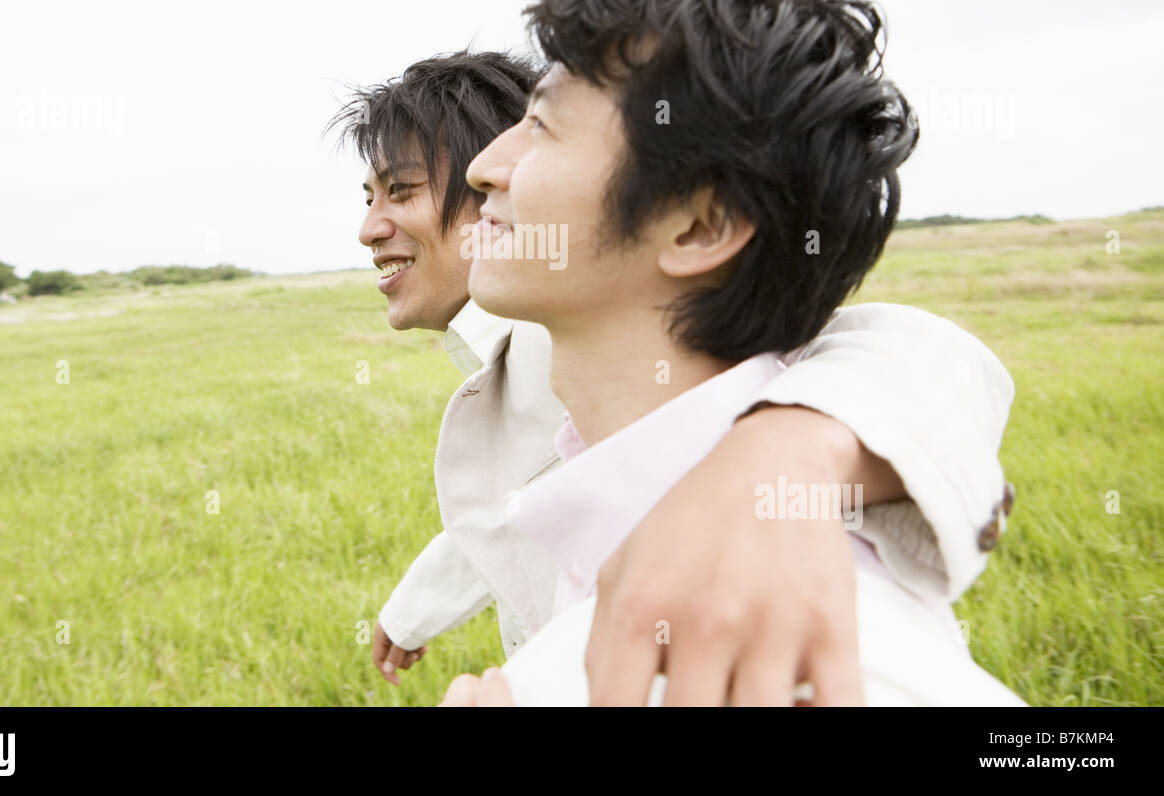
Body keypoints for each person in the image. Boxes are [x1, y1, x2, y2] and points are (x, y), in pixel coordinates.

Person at [329, 37, 1014, 704]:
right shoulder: (554, 362)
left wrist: (787, 453)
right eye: (369, 197)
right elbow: (517, 512)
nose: (369, 227)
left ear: (698, 225)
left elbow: (919, 355)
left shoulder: (818, 642)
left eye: (539, 129)